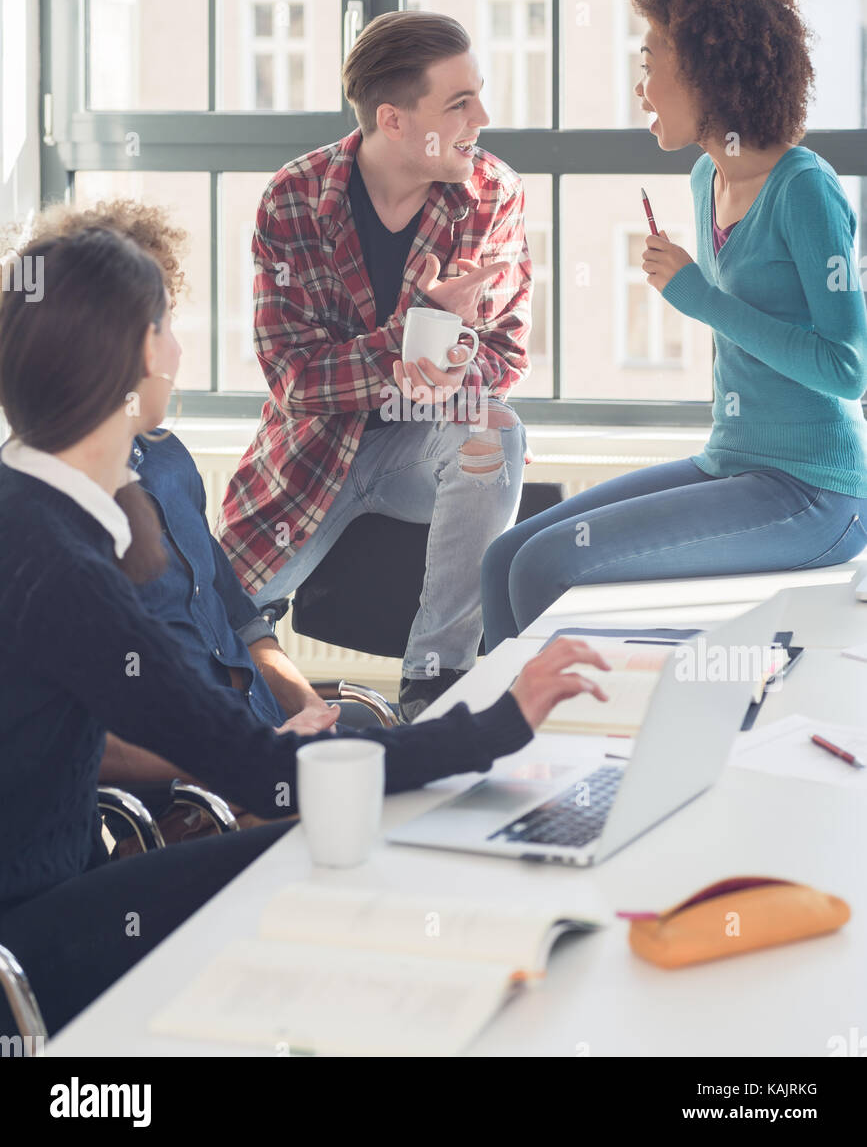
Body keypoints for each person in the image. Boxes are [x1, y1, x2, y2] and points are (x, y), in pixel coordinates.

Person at [0, 223, 610, 1036]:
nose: (178, 350)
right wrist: (495, 725)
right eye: (167, 327)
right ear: (137, 358)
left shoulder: (35, 517)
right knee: (322, 848)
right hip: (32, 945)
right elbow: (265, 774)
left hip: (56, 892)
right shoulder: (63, 567)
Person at [482, 0, 867, 647]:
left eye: (648, 62)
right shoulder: (705, 180)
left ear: (706, 74)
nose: (640, 86)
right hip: (731, 459)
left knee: (543, 567)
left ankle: (550, 739)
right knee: (503, 557)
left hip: (815, 494)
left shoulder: (804, 189)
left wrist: (701, 298)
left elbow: (847, 369)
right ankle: (502, 741)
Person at [214, 11, 534, 720]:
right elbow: (294, 380)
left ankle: (436, 679)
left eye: (477, 95)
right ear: (393, 120)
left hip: (423, 449)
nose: (481, 116)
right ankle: (281, 737)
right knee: (208, 615)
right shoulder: (294, 199)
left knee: (495, 428)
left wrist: (454, 370)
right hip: (310, 457)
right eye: (458, 103)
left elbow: (506, 352)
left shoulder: (490, 194)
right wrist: (408, 342)